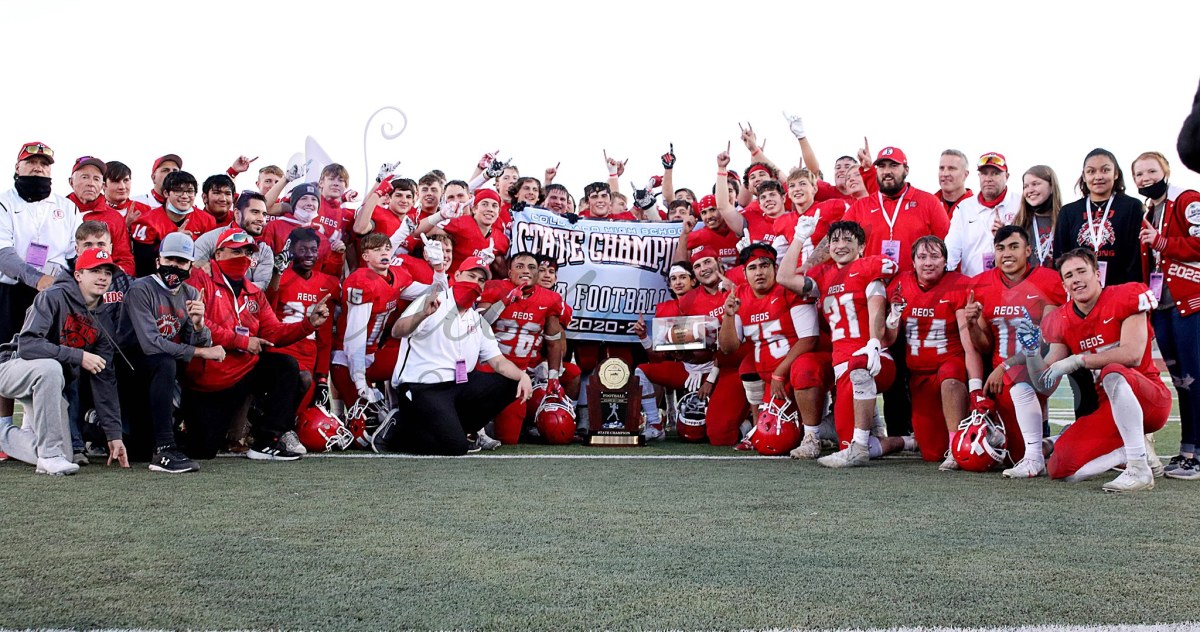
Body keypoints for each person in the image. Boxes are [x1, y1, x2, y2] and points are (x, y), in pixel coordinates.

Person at [181, 228, 329, 461]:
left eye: (249, 252)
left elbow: (274, 331)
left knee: (287, 366)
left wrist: (308, 324)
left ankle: (267, 439)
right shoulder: (200, 279)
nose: (243, 257)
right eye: (236, 251)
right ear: (218, 254)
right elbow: (198, 324)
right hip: (209, 379)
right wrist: (241, 340)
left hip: (244, 371)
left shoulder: (253, 293)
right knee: (202, 450)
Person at [1033, 248, 1170, 492]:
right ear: (1064, 284)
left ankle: (1139, 470)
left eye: (1081, 271)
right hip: (1108, 408)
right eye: (1068, 276)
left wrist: (1079, 360)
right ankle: (1131, 450)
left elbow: (1132, 354)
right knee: (1061, 468)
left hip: (1148, 399)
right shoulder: (1062, 319)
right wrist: (1025, 356)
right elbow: (1047, 372)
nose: (1076, 279)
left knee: (1113, 371)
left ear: (1098, 274)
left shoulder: (1125, 296)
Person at [777, 221, 909, 467]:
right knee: (845, 438)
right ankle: (905, 441)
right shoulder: (823, 276)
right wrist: (798, 237)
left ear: (861, 246)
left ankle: (861, 435)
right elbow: (784, 277)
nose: (840, 245)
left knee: (858, 367)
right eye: (835, 241)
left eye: (848, 240)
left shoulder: (868, 266)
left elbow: (881, 291)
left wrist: (873, 341)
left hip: (873, 358)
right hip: (842, 367)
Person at [0, 248, 128, 476]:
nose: (103, 277)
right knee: (50, 367)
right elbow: (28, 346)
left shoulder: (103, 319)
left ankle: (6, 437)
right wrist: (79, 356)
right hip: (13, 367)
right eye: (95, 271)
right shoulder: (53, 296)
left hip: (49, 384)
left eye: (107, 273)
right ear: (78, 275)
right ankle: (49, 457)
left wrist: (114, 435)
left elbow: (105, 378)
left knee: (66, 454)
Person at [388, 256, 533, 456]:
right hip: (423, 386)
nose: (475, 283)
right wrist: (422, 314)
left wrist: (523, 377)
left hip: (457, 385)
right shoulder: (433, 300)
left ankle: (454, 429)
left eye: (481, 280)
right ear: (456, 275)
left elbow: (498, 362)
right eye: (471, 276)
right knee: (455, 448)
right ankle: (400, 430)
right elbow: (397, 331)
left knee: (509, 383)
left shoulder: (475, 318)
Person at [117, 233, 225, 472]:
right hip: (129, 370)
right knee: (166, 361)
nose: (175, 266)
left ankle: (174, 432)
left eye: (182, 261)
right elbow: (150, 344)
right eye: (170, 259)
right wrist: (201, 352)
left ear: (190, 265)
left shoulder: (189, 294)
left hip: (162, 374)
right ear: (158, 261)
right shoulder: (140, 289)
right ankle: (165, 448)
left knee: (202, 448)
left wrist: (199, 325)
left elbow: (195, 341)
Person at [964, 226, 1067, 476]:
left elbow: (1046, 340)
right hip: (999, 378)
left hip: (1034, 369)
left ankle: (1054, 439)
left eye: (1013, 246)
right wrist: (971, 323)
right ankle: (1055, 440)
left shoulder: (1048, 281)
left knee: (1017, 455)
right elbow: (985, 345)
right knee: (1010, 456)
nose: (1006, 254)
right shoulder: (982, 284)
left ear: (1028, 250)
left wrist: (1006, 365)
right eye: (1000, 248)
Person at [0, 142, 83, 433]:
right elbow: (3, 254)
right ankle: (4, 426)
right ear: (17, 167)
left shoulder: (66, 206)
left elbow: (75, 254)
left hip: (56, 292)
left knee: (52, 354)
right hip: (14, 289)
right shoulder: (4, 202)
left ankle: (46, 427)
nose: (38, 168)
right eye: (32, 162)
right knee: (6, 355)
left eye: (44, 164)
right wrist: (35, 279)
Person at [881, 236, 983, 469]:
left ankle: (956, 445)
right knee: (932, 452)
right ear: (913, 262)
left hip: (949, 365)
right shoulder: (900, 285)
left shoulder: (959, 285)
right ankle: (918, 441)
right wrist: (893, 316)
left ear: (945, 261)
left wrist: (975, 387)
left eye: (935, 256)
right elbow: (888, 340)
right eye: (922, 257)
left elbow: (969, 346)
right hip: (919, 375)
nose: (929, 262)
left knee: (951, 376)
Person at [1132, 151, 1200, 479]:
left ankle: (1197, 452)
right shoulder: (1149, 209)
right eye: (1139, 174)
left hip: (1191, 301)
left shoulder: (1187, 199)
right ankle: (1188, 449)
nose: (1145, 178)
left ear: (1166, 171)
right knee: (1181, 381)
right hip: (1162, 305)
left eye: (1151, 171)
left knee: (1195, 376)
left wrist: (1160, 241)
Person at [717, 243, 817, 449]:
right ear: (744, 273)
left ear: (776, 268)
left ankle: (820, 429)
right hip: (771, 377)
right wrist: (728, 316)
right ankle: (757, 424)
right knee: (769, 440)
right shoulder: (739, 296)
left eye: (764, 266)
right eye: (752, 268)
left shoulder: (788, 290)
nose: (759, 272)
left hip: (794, 372)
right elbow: (728, 348)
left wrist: (780, 373)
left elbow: (809, 339)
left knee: (782, 439)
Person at [478, 251, 567, 444]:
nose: (526, 271)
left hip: (518, 376)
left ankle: (489, 424)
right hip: (486, 368)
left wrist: (554, 378)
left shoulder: (550, 299)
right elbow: (478, 324)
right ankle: (479, 425)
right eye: (520, 266)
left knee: (509, 439)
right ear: (509, 271)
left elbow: (553, 340)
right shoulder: (495, 288)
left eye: (531, 267)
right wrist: (506, 301)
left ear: (537, 274)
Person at [674, 248, 752, 446]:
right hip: (721, 366)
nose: (704, 269)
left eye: (707, 262)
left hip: (747, 361)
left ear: (718, 261)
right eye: (697, 266)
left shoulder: (739, 281)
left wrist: (736, 289)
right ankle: (746, 423)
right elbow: (698, 344)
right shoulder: (689, 300)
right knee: (719, 435)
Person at [267, 228, 341, 417]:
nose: (309, 255)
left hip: (309, 354)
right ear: (291, 251)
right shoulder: (278, 277)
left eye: (313, 250)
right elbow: (266, 309)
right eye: (303, 250)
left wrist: (323, 376)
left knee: (302, 413)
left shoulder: (328, 283)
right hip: (281, 348)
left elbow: (324, 335)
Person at [1052, 148, 1144, 287]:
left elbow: (1136, 256)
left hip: (1121, 290)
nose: (1098, 176)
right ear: (1084, 176)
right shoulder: (1068, 212)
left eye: (1105, 170)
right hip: (1081, 292)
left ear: (1116, 173)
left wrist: (1130, 290)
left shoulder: (1132, 206)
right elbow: (1060, 256)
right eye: (1091, 171)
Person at [945, 152, 1023, 276]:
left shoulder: (1020, 204)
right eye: (984, 173)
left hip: (1012, 285)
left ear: (1007, 177)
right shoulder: (964, 208)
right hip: (974, 285)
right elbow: (951, 250)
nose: (988, 179)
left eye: (995, 173)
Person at [129, 171, 216, 276]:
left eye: (189, 191)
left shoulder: (206, 220)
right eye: (178, 191)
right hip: (157, 278)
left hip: (192, 277)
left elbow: (211, 257)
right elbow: (143, 267)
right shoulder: (146, 222)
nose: (185, 196)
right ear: (166, 193)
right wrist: (172, 241)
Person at [67, 156, 136, 276]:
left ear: (103, 185)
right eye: (85, 177)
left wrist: (110, 280)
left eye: (96, 179)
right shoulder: (56, 211)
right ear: (71, 182)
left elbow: (125, 261)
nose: (91, 183)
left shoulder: (114, 218)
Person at [193, 192, 273, 290]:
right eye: (255, 212)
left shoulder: (264, 251)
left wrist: (229, 286)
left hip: (245, 302)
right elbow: (192, 271)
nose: (261, 219)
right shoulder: (210, 239)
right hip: (209, 300)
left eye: (264, 214)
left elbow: (261, 286)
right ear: (237, 214)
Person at [1011, 165, 1063, 269]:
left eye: (1035, 184)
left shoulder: (1065, 219)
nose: (1030, 190)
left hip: (1057, 282)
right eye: (1025, 186)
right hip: (1027, 283)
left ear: (1051, 186)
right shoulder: (1020, 222)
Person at [935, 150, 974, 218]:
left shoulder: (977, 207)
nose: (945, 173)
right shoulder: (927, 204)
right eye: (942, 168)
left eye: (951, 168)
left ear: (965, 175)